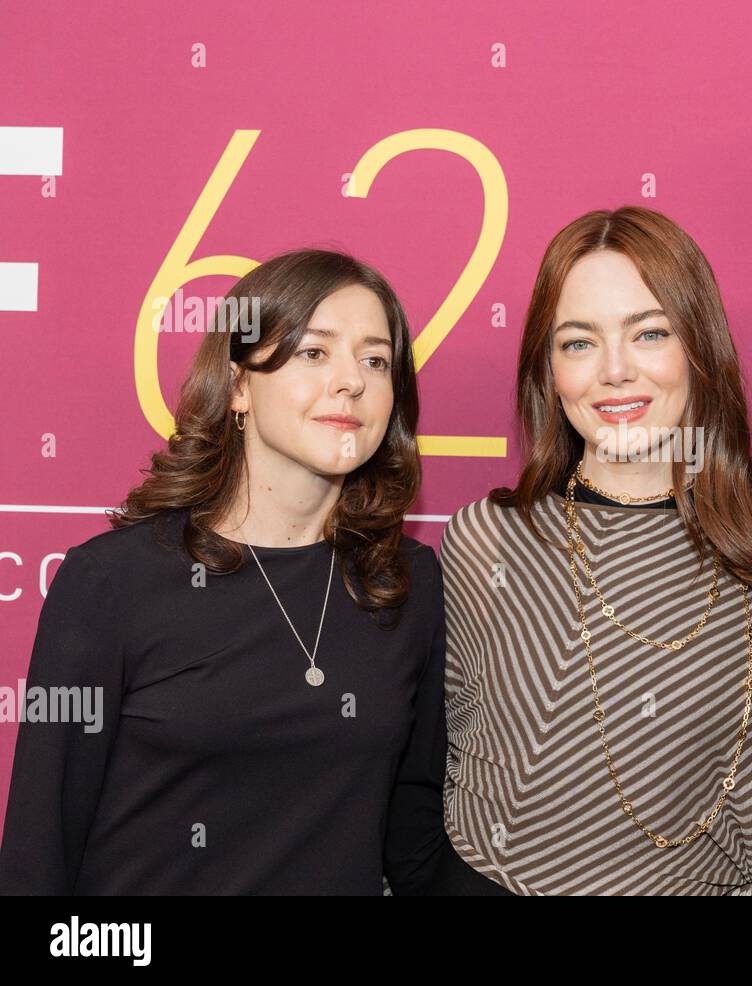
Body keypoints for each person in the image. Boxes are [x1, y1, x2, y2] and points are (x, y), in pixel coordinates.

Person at [0, 248, 448, 895]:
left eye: (375, 360)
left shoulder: (406, 583)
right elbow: (38, 858)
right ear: (239, 384)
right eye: (314, 352)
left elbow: (414, 842)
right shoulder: (110, 584)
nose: (351, 380)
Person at [426, 206, 752, 894]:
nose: (614, 371)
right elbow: (439, 768)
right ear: (547, 371)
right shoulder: (489, 540)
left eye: (650, 333)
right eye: (577, 343)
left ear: (700, 348)